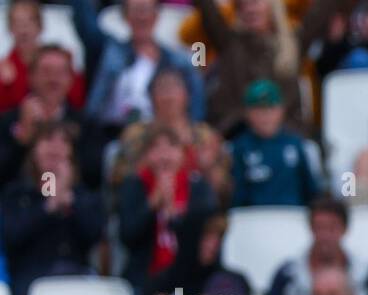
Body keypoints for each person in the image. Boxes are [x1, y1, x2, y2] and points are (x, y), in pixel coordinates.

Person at [0, 121, 105, 295]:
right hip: (29, 290)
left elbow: (93, 234)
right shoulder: (17, 195)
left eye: (63, 141)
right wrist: (49, 207)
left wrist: (69, 200)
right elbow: (11, 236)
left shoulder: (84, 197)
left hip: (77, 286)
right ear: (34, 151)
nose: (55, 147)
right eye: (48, 139)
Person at [70, 0, 204, 134]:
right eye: (135, 10)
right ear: (125, 16)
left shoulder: (179, 62)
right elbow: (85, 23)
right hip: (109, 134)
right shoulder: (109, 52)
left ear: (157, 15)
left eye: (146, 9)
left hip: (161, 138)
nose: (141, 16)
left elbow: (195, 108)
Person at [117, 124, 219, 293]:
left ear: (183, 154)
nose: (164, 155)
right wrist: (151, 205)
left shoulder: (199, 187)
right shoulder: (134, 185)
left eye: (172, 146)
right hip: (145, 280)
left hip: (191, 280)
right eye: (156, 148)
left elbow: (207, 235)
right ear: (147, 155)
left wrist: (175, 215)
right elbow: (127, 237)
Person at [109, 66, 230, 203]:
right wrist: (148, 163)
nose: (168, 95)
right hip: (146, 212)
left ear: (188, 95)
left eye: (174, 87)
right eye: (162, 88)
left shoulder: (205, 136)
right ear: (151, 96)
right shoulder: (135, 135)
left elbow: (225, 192)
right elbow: (117, 183)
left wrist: (209, 168)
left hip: (197, 212)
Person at [0, 44, 104, 190]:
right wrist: (23, 138)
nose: (53, 79)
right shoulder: (7, 121)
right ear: (31, 76)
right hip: (19, 204)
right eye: (46, 71)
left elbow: (94, 174)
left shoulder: (86, 124)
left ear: (71, 79)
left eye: (60, 72)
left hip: (71, 205)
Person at [193, 0, 303, 136]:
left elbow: (321, 13)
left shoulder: (292, 44)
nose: (249, 9)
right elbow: (208, 10)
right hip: (236, 138)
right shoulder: (229, 43)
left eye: (255, 3)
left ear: (273, 6)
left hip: (284, 140)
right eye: (242, 5)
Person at [229, 80, 319, 208]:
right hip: (253, 218)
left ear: (281, 110)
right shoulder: (239, 147)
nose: (265, 115)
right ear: (247, 113)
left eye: (270, 108)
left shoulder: (295, 144)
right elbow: (237, 195)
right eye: (258, 109)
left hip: (292, 217)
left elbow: (310, 190)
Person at [0, 1, 86, 113]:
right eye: (17, 23)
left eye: (28, 22)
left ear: (40, 26)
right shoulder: (5, 67)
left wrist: (65, 71)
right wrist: (6, 86)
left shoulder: (59, 60)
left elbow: (77, 100)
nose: (23, 30)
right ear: (10, 28)